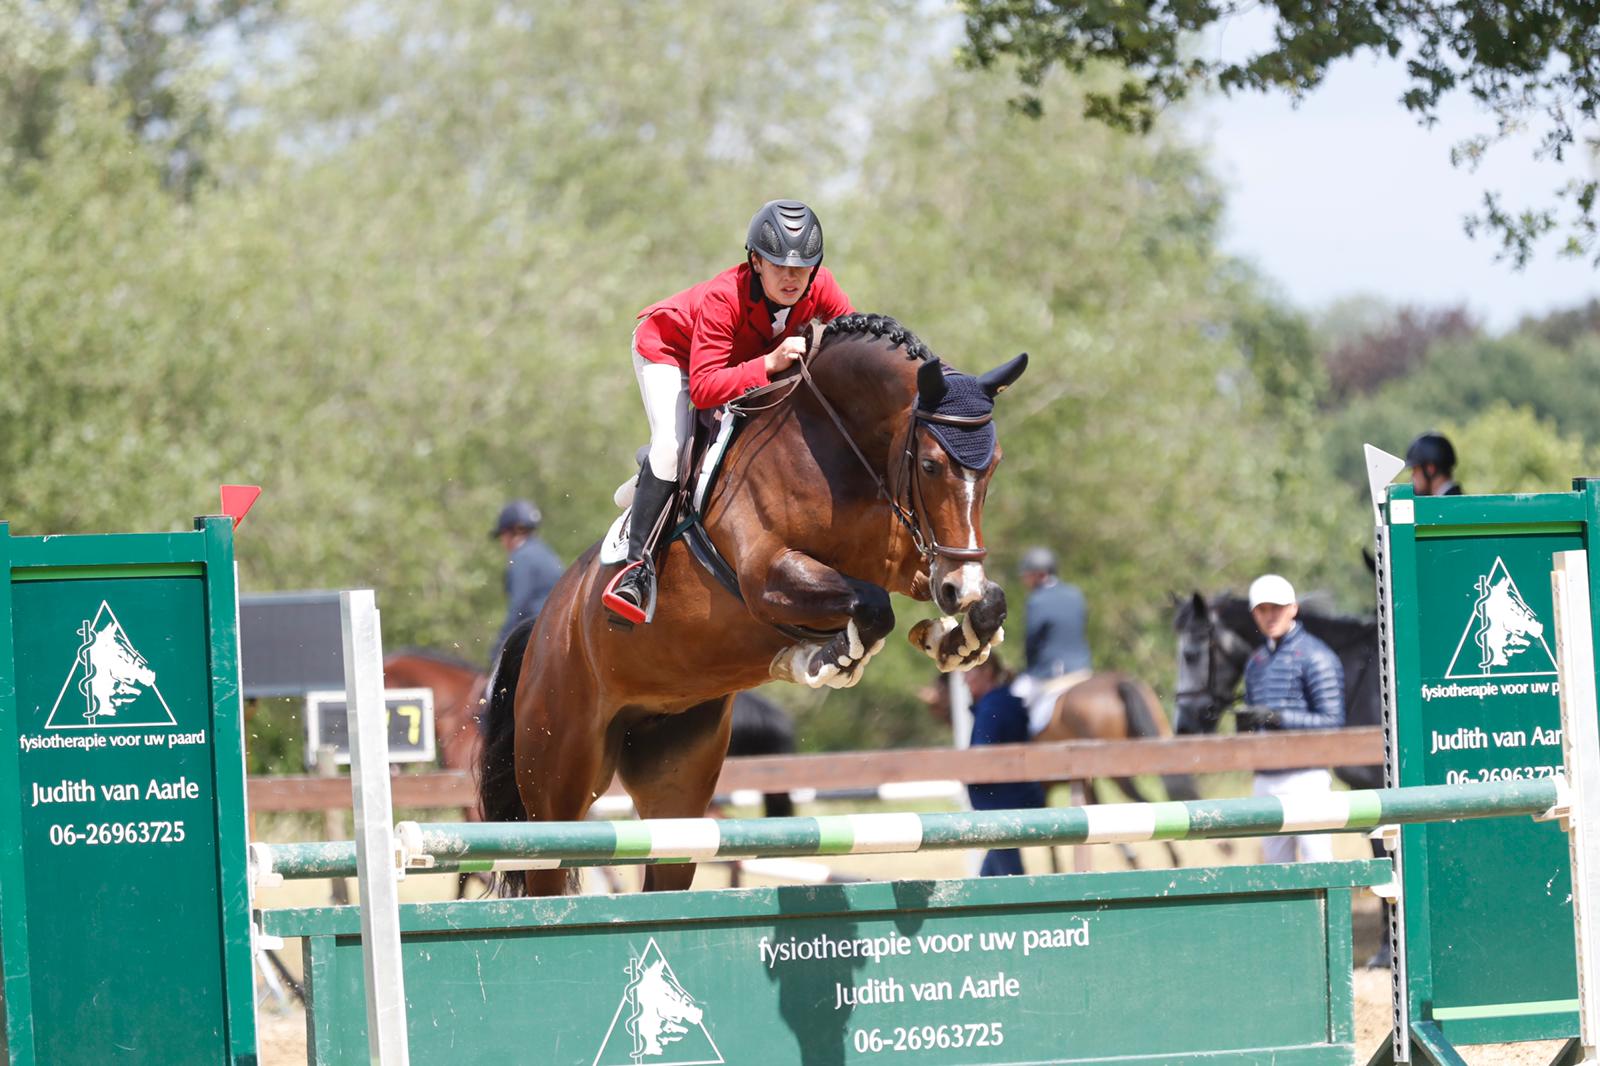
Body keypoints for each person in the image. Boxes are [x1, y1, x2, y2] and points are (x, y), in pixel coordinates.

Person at [602, 199, 854, 624]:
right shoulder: (724, 298)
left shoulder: (820, 286)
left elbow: (857, 341)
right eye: (779, 266)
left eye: (802, 267)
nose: (792, 278)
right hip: (669, 352)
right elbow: (703, 390)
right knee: (670, 446)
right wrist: (770, 363)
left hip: (727, 363)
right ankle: (636, 570)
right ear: (756, 261)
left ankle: (650, 484)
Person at [1239, 573, 1346, 864]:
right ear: (1254, 615)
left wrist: (1277, 717)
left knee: (1317, 863)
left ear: (1293, 608)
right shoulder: (1255, 662)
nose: (1270, 615)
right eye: (1262, 609)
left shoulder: (1316, 656)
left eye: (1277, 607)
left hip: (1306, 778)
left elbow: (1333, 722)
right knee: (1275, 873)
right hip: (1266, 780)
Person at [962, 652, 1047, 876]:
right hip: (1016, 800)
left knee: (1011, 880)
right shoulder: (1004, 701)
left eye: (970, 672)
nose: (964, 680)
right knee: (987, 880)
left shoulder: (992, 708)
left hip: (1003, 808)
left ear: (987, 672)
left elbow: (979, 757)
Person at [1012, 546, 1092, 736]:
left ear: (1039, 575)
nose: (1025, 580)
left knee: (1015, 702)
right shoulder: (1075, 594)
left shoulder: (1037, 600)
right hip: (1083, 669)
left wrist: (1027, 668)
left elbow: (1031, 640)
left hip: (1052, 673)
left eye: (1027, 575)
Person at [491, 499, 563, 660]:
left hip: (534, 636)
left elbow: (519, 606)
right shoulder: (548, 554)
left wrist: (498, 648)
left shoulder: (521, 557)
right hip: (556, 631)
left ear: (510, 533)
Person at [1405, 431, 1462, 496]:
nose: (1412, 476)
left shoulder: (1444, 504)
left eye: (1415, 470)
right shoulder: (1457, 499)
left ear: (1430, 469)